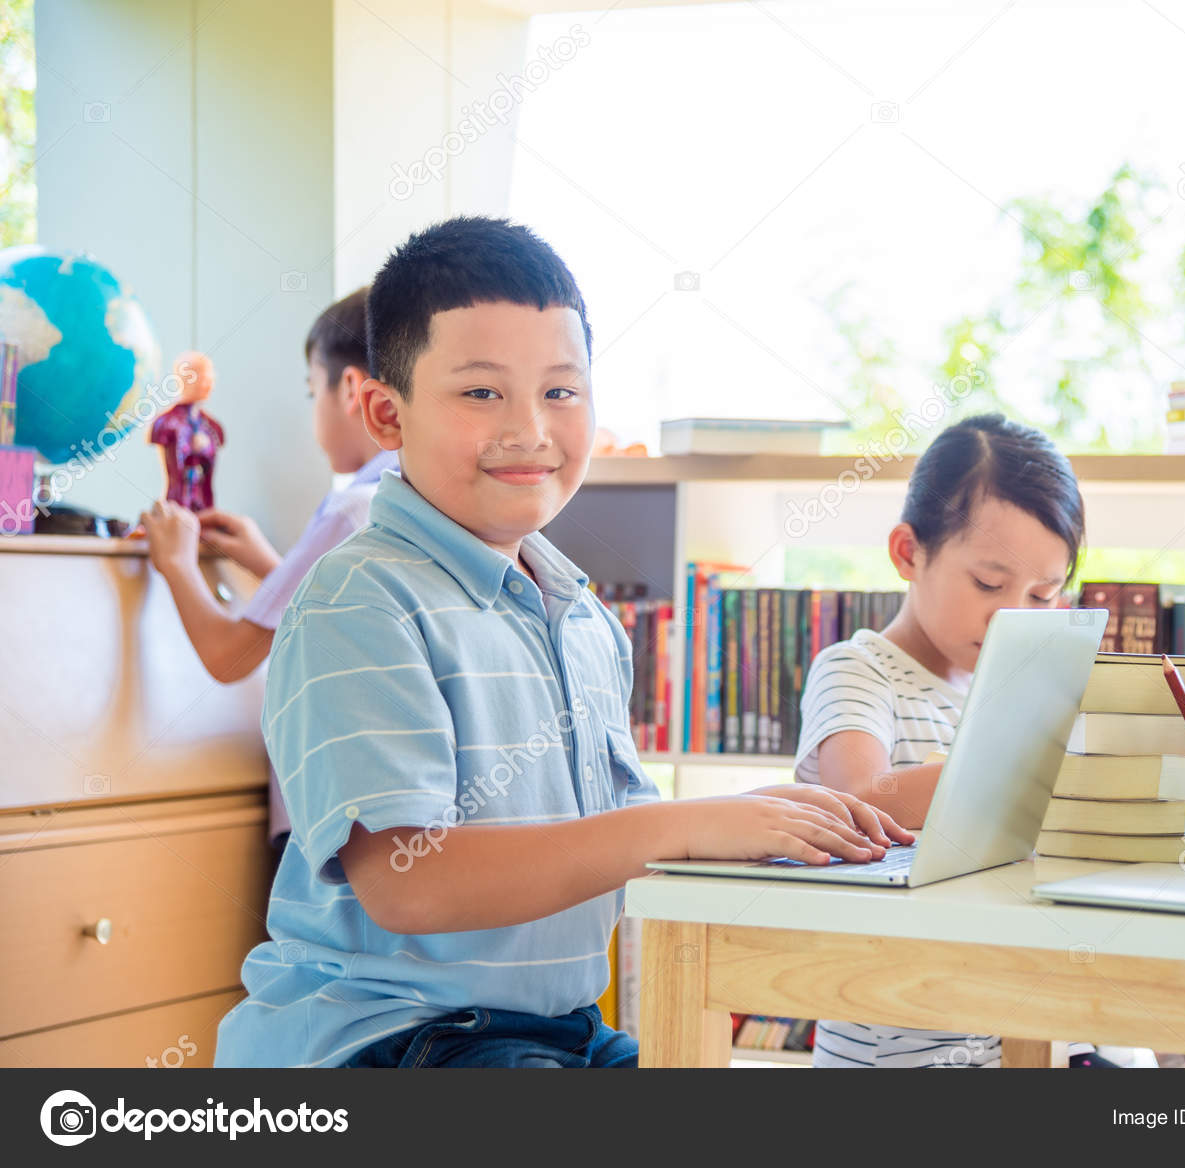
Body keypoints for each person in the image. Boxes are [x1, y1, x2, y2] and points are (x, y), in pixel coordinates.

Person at [214, 216, 909, 1069]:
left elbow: (613, 841)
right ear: (384, 413)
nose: (530, 430)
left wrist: (772, 820)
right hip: (394, 1038)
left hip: (559, 1029)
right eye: (480, 393)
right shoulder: (359, 597)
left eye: (560, 391)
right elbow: (407, 880)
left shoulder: (581, 616)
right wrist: (681, 827)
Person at [794, 412, 1115, 1067]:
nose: (1015, 616)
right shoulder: (858, 670)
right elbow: (861, 795)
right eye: (989, 585)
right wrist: (1033, 765)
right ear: (909, 553)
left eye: (1044, 595)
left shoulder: (1019, 693)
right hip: (905, 1048)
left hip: (1023, 1030)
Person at [140, 289, 397, 848]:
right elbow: (347, 622)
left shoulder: (353, 507)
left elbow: (229, 656)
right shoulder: (418, 498)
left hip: (326, 823)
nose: (313, 412)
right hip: (395, 820)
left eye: (313, 392)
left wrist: (177, 564)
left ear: (351, 389)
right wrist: (268, 565)